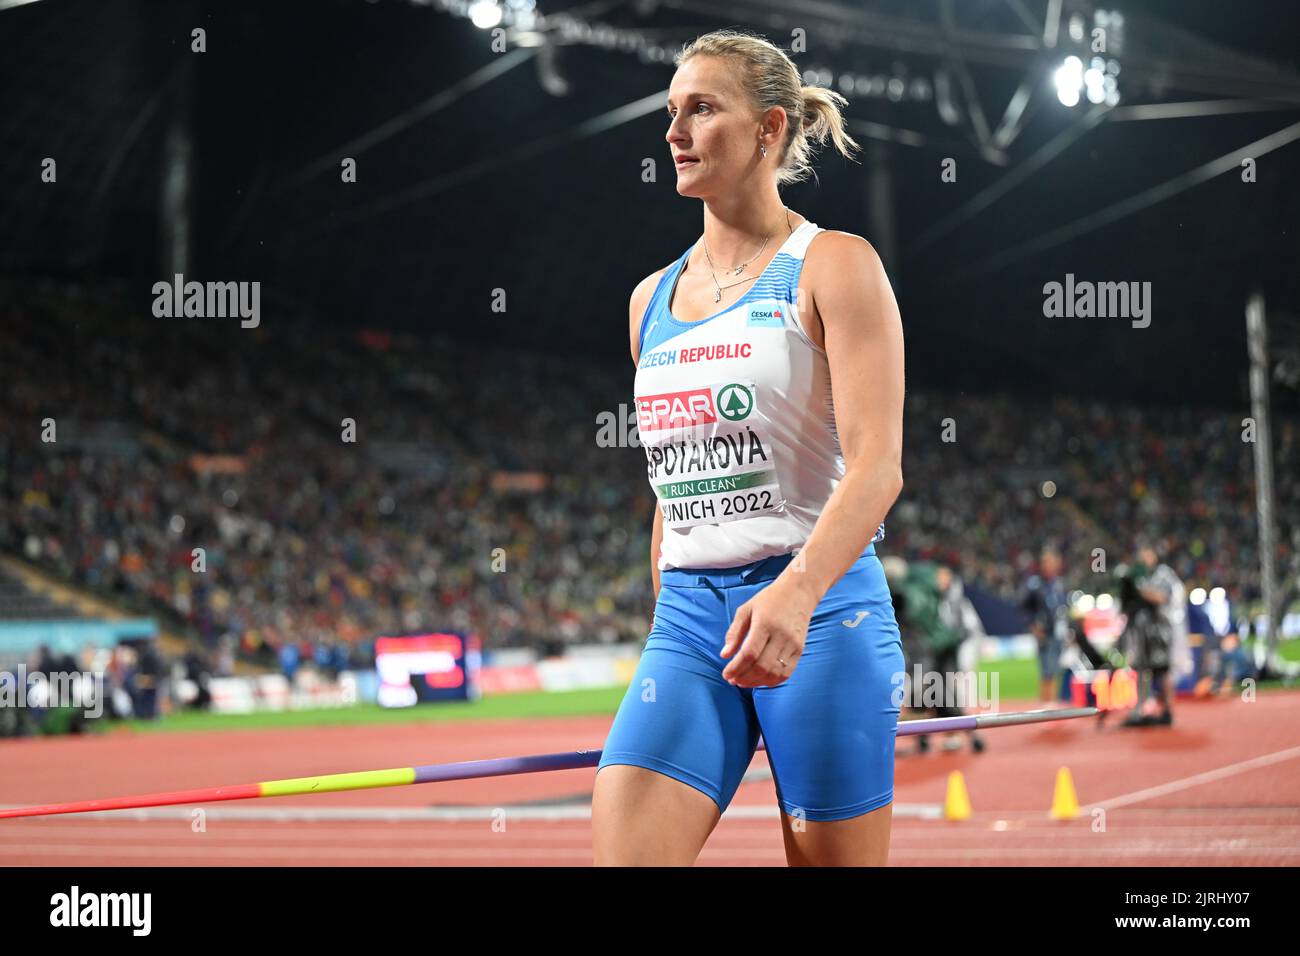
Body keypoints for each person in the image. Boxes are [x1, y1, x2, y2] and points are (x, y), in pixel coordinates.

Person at [592, 29, 905, 866]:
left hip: (822, 609)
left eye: (701, 109)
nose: (674, 131)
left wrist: (798, 596)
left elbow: (878, 466)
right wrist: (668, 600)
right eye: (671, 111)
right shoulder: (647, 300)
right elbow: (667, 483)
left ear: (769, 129)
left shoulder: (834, 265)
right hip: (692, 623)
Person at [1022, 548, 1069, 703]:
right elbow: (1023, 607)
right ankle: (1046, 705)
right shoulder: (1035, 585)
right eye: (1048, 563)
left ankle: (1052, 702)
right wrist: (1033, 626)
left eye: (1054, 563)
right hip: (1045, 634)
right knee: (1047, 670)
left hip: (1060, 633)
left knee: (1057, 669)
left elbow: (1064, 607)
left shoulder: (1059, 583)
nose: (1051, 566)